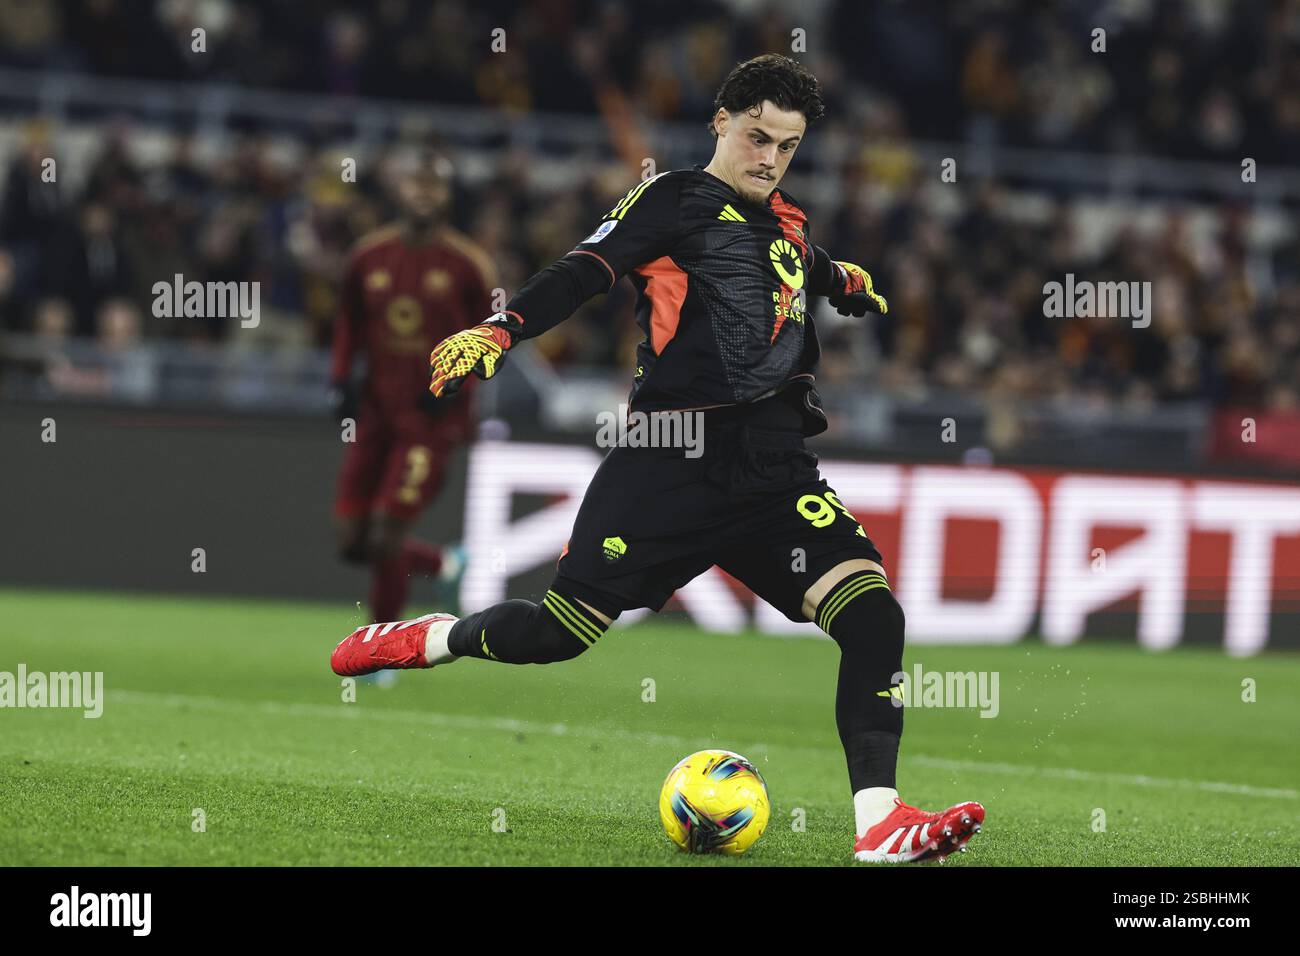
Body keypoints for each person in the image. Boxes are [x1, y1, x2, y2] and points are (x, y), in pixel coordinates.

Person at [331, 55, 983, 862]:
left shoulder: (785, 221)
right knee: (557, 634)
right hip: (668, 463)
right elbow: (584, 270)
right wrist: (501, 330)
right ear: (721, 123)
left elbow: (803, 268)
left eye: (786, 145)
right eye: (756, 137)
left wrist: (845, 278)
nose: (769, 158)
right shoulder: (672, 199)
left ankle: (879, 824)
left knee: (874, 616)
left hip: (772, 471)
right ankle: (433, 638)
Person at [329, 148, 485, 625]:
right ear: (399, 189)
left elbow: (489, 338)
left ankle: (378, 656)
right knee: (350, 541)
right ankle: (443, 565)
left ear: (445, 195)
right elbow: (347, 325)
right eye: (415, 183)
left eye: (433, 185)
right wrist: (340, 382)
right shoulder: (368, 256)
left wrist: (455, 389)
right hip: (376, 412)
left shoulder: (467, 265)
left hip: (430, 421)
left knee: (385, 535)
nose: (423, 194)